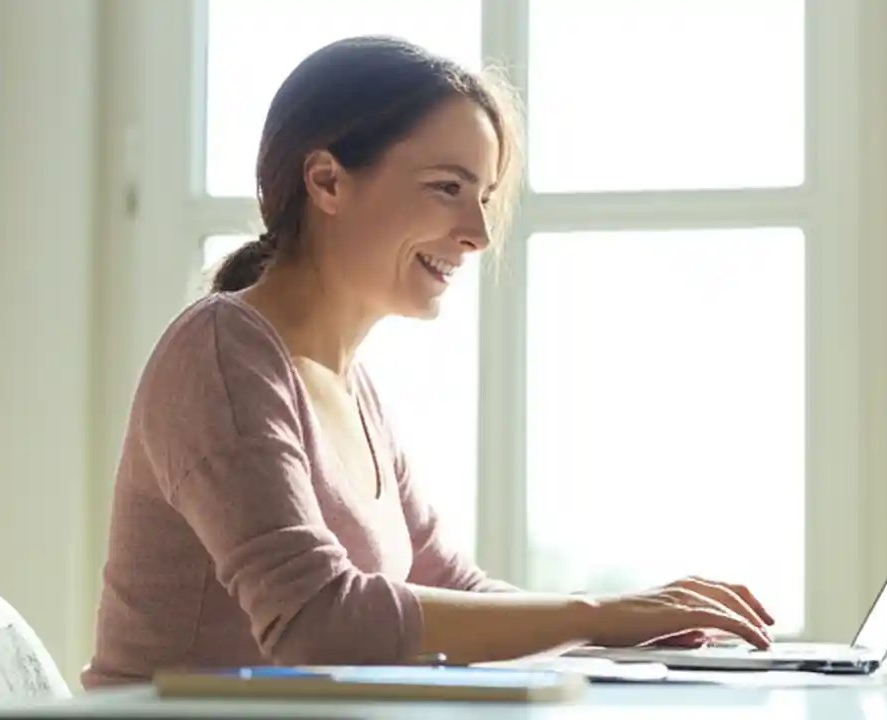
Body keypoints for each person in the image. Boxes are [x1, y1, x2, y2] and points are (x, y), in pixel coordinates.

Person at [82, 35, 774, 689]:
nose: (475, 234)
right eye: (448, 188)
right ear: (327, 181)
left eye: (485, 198)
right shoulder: (223, 352)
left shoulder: (350, 386)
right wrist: (600, 617)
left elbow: (450, 588)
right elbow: (317, 622)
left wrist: (633, 625)